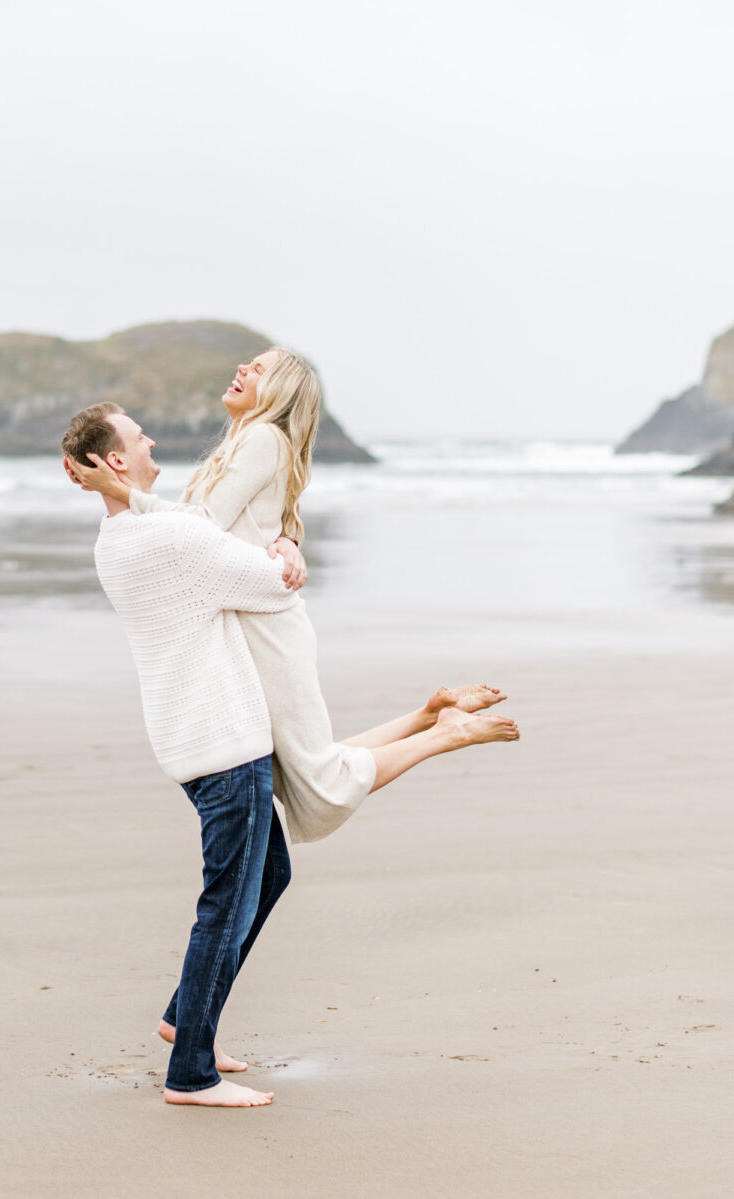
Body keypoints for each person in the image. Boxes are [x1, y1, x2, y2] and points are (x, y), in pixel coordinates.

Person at [62, 396, 519, 1108]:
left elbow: (193, 527)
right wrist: (286, 549)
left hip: (194, 742)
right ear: (116, 458)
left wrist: (265, 534)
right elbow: (273, 585)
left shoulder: (122, 538)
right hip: (225, 746)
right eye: (139, 436)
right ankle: (191, 1074)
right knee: (225, 904)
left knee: (269, 875)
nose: (152, 441)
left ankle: (185, 1018)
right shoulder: (167, 540)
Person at [65, 350, 519, 846]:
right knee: (300, 768)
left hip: (268, 628)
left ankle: (446, 735)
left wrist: (124, 493)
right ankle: (429, 717)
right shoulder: (242, 444)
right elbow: (219, 527)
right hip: (249, 624)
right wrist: (286, 538)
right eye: (247, 364)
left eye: (258, 370)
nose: (242, 369)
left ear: (279, 392)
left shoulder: (263, 438)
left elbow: (202, 526)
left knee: (318, 781)